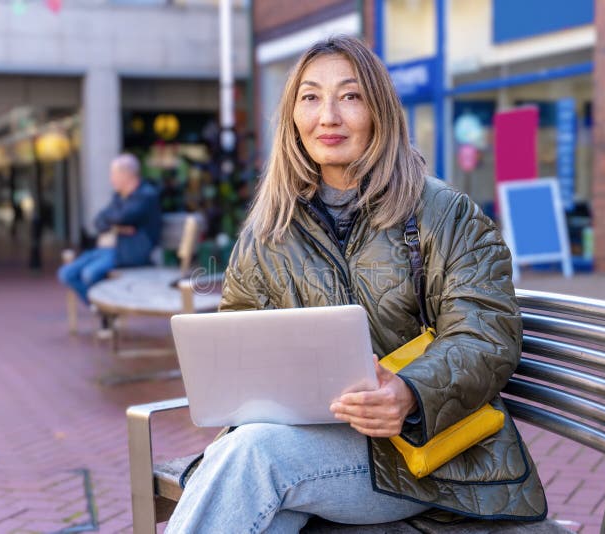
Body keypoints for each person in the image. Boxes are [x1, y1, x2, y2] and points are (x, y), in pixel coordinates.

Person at [167, 36, 547, 532]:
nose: (328, 117)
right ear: (292, 117)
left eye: (350, 96)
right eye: (310, 97)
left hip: (426, 454)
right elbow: (240, 337)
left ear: (379, 112)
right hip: (303, 440)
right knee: (261, 497)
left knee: (254, 459)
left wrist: (409, 392)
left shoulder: (443, 213)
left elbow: (487, 334)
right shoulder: (269, 230)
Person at [57, 153, 161, 304]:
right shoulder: (118, 196)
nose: (111, 179)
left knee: (89, 274)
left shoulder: (146, 195)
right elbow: (98, 221)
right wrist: (119, 228)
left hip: (130, 252)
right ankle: (100, 307)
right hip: (108, 249)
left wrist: (114, 224)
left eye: (114, 174)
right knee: (66, 273)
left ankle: (106, 308)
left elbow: (123, 217)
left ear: (126, 175)